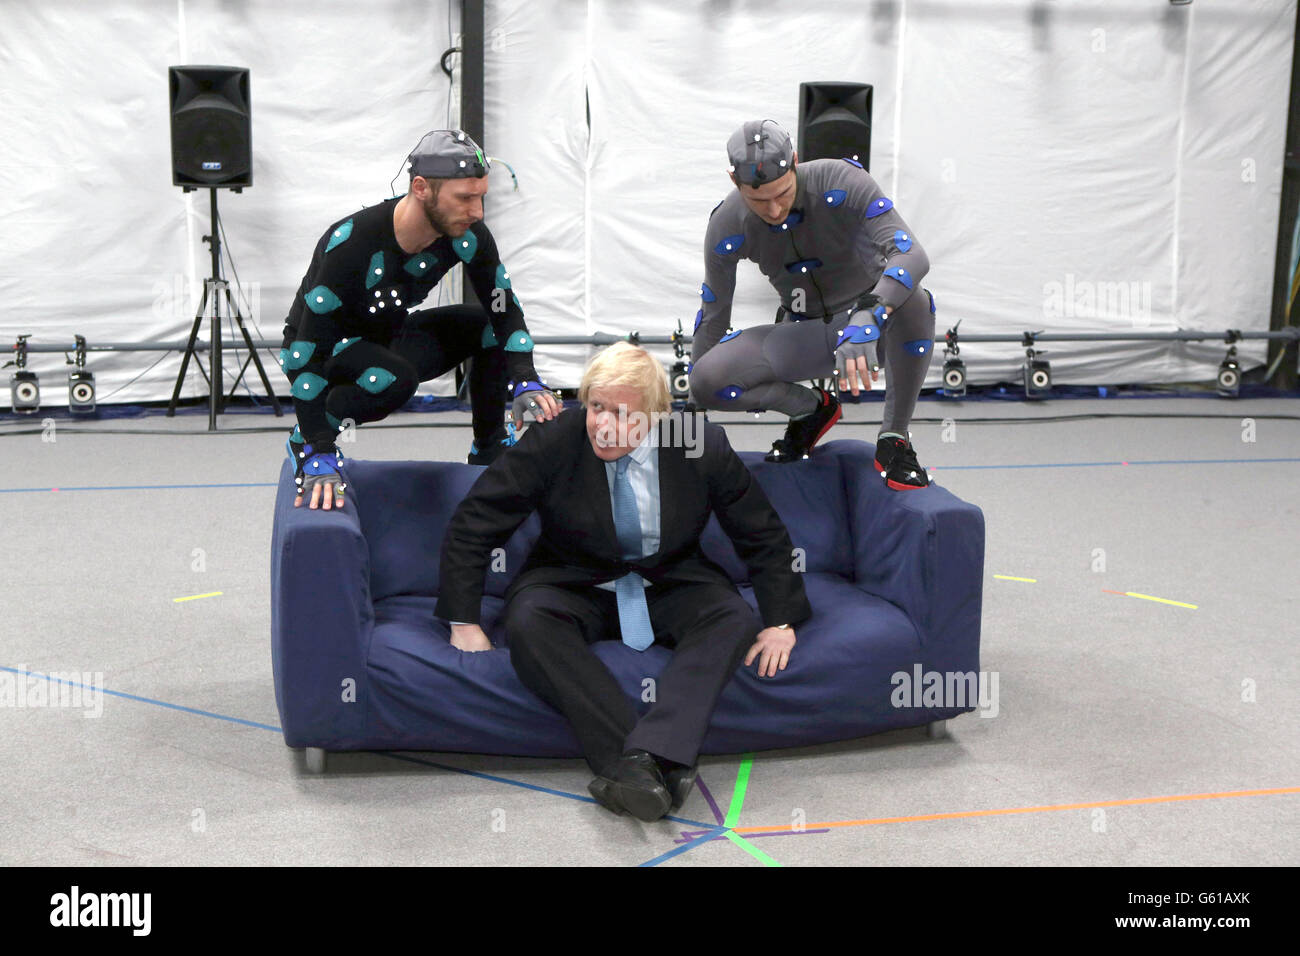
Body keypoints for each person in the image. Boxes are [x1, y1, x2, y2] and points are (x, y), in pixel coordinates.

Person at [436, 343, 810, 822]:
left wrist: (780, 620)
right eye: (595, 406)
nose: (604, 424)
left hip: (670, 578)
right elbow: (476, 521)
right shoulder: (555, 438)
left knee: (733, 616)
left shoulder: (699, 442)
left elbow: (762, 533)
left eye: (621, 413)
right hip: (572, 578)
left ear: (656, 416)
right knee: (528, 620)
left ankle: (635, 766)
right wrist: (463, 620)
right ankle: (649, 764)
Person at [279, 129, 561, 510]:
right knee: (394, 380)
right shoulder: (351, 244)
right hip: (329, 353)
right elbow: (303, 354)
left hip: (387, 336)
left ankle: (489, 449)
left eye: (481, 197)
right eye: (465, 198)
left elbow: (503, 307)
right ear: (421, 187)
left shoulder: (468, 235)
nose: (477, 212)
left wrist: (524, 378)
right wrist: (318, 447)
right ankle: (308, 436)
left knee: (485, 328)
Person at [688, 118, 936, 489]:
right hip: (803, 334)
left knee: (916, 301)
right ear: (733, 181)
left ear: (796, 162)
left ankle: (894, 438)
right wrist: (692, 415)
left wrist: (869, 316)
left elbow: (912, 254)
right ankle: (811, 410)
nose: (774, 210)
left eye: (782, 194)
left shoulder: (841, 179)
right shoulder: (727, 222)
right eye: (759, 200)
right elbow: (713, 316)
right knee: (705, 380)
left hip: (873, 325)